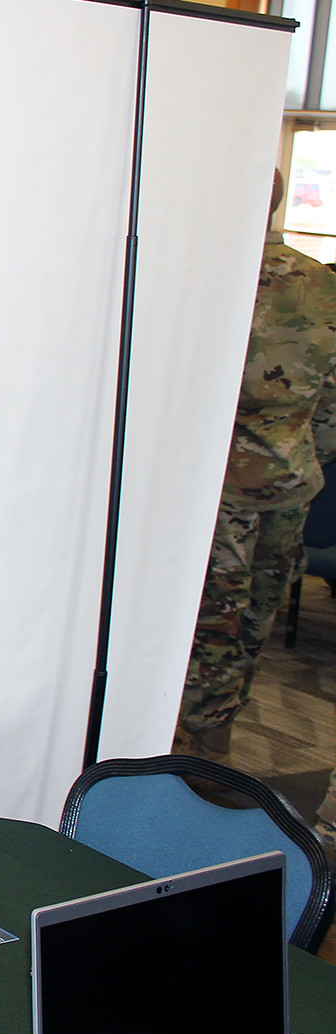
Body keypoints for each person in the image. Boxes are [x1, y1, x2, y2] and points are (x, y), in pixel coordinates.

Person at [178, 171, 336, 765]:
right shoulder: (321, 285)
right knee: (255, 615)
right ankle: (219, 734)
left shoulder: (202, 283)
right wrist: (295, 447)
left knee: (207, 616)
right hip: (288, 483)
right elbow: (332, 405)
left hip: (213, 487)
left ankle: (198, 743)